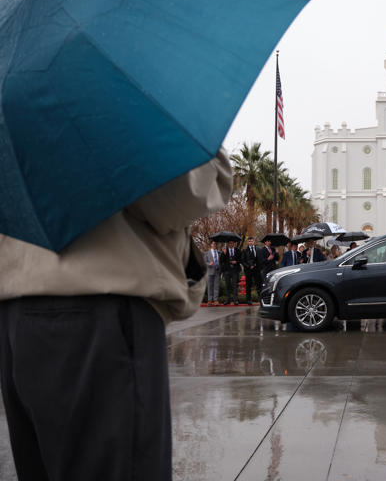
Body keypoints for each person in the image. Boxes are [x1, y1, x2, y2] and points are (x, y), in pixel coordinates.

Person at [0, 149, 232, 480]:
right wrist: (213, 157)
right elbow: (177, 196)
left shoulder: (14, 104)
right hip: (100, 313)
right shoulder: (105, 99)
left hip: (16, 311)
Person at [221, 240, 242, 305]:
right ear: (227, 244)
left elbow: (241, 259)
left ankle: (235, 300)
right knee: (228, 285)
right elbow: (221, 260)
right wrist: (224, 254)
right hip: (227, 271)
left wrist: (236, 262)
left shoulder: (237, 250)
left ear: (234, 244)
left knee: (235, 285)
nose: (230, 244)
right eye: (229, 243)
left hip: (235, 270)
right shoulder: (225, 250)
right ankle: (228, 300)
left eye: (232, 243)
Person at [241, 236, 260, 305]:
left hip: (256, 270)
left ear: (254, 241)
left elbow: (259, 259)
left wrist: (257, 266)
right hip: (248, 270)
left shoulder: (258, 249)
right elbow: (242, 261)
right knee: (248, 285)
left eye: (251, 241)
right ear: (247, 242)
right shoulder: (244, 250)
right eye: (249, 241)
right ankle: (248, 300)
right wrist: (249, 266)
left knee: (258, 284)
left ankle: (260, 298)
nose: (250, 242)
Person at [204, 240, 222, 306]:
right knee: (210, 286)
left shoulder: (219, 253)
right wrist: (209, 264)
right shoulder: (207, 253)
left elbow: (221, 262)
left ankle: (216, 300)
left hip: (217, 271)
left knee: (216, 286)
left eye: (215, 244)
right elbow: (204, 262)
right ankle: (209, 300)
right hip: (210, 271)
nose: (214, 245)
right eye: (213, 244)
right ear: (211, 245)